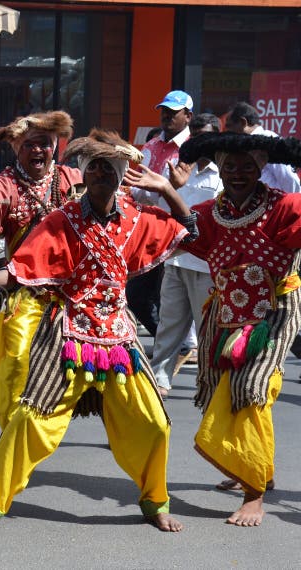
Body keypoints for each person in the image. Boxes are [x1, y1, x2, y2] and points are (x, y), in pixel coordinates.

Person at [0, 129, 195, 535]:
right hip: (68, 334)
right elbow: (21, 272)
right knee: (30, 420)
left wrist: (167, 188)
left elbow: (192, 232)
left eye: (108, 167)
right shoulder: (61, 219)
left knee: (154, 423)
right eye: (94, 166)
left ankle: (155, 500)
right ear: (84, 174)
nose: (100, 172)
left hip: (119, 335)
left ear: (121, 175)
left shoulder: (138, 219)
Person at [153, 131, 300, 526]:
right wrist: (168, 190)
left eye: (247, 166)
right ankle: (257, 467)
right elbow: (171, 231)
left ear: (261, 168)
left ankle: (254, 494)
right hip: (223, 316)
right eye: (230, 166)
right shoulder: (208, 212)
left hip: (273, 313)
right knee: (226, 393)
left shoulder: (283, 206)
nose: (237, 173)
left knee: (253, 391)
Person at [0, 111, 82, 430]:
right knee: (13, 366)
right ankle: (12, 433)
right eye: (29, 145)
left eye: (44, 144)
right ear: (16, 149)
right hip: (21, 291)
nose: (37, 151)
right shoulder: (6, 182)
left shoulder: (72, 179)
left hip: (71, 294)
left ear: (56, 147)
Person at [146, 113, 224, 397]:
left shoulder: (224, 174)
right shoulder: (179, 169)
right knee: (169, 324)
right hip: (176, 258)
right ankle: (159, 380)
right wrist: (173, 187)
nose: (200, 143)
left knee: (208, 329)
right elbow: (160, 208)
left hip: (206, 266)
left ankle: (211, 382)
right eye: (196, 136)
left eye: (206, 137)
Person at [127, 90, 194, 337]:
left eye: (172, 112)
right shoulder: (152, 144)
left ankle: (181, 345)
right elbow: (138, 186)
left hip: (182, 230)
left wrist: (158, 189)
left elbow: (182, 191)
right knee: (136, 295)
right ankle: (173, 342)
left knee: (169, 294)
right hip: (150, 229)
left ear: (188, 116)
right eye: (164, 111)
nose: (166, 116)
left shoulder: (193, 147)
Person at [225, 102, 300, 193]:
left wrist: (291, 205)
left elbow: (289, 179)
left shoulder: (268, 141)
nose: (226, 132)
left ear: (243, 122)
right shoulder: (245, 146)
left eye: (229, 126)